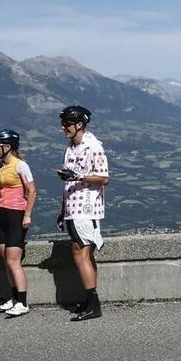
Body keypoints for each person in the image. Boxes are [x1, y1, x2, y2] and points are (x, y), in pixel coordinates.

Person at [56, 105, 110, 321]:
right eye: (63, 124)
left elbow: (103, 178)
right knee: (84, 253)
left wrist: (78, 177)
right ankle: (90, 301)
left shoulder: (93, 147)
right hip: (73, 207)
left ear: (80, 124)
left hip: (85, 208)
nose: (63, 128)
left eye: (67, 124)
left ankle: (93, 304)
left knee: (80, 253)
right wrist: (63, 210)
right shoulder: (71, 147)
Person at [0, 129, 36, 317]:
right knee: (6, 261)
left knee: (14, 261)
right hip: (2, 215)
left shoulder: (21, 166)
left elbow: (32, 191)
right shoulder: (0, 166)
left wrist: (27, 215)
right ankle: (14, 298)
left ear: (7, 147)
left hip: (16, 215)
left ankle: (22, 303)